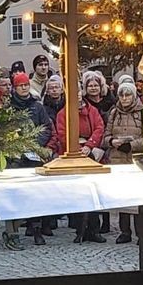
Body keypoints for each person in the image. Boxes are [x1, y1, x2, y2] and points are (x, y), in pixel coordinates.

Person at [2, 72, 54, 250]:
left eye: (26, 85)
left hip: (33, 156)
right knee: (14, 196)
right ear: (15, 88)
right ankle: (12, 233)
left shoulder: (37, 106)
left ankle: (36, 229)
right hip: (14, 157)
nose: (24, 88)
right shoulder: (8, 107)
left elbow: (46, 128)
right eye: (20, 85)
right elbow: (2, 129)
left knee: (34, 195)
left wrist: (34, 143)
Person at [49, 95, 107, 243]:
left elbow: (99, 128)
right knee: (78, 194)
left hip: (90, 153)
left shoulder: (92, 111)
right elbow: (62, 133)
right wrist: (76, 147)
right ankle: (80, 229)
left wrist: (89, 145)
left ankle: (94, 229)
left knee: (93, 192)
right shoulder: (63, 113)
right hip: (73, 155)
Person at [104, 83, 143, 243]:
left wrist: (132, 145)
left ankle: (141, 233)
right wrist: (112, 141)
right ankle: (124, 231)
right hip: (118, 158)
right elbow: (106, 136)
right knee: (122, 197)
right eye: (122, 95)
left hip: (136, 159)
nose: (125, 98)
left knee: (138, 198)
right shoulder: (114, 113)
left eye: (128, 95)